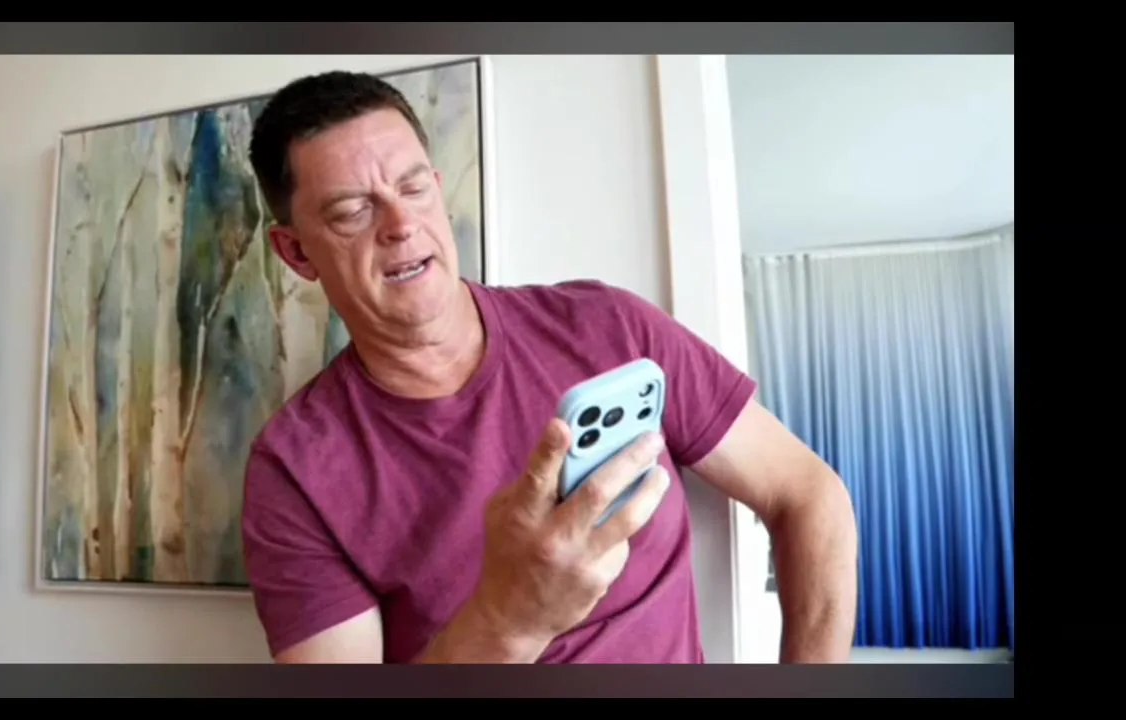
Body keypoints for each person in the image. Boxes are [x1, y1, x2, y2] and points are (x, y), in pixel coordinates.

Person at [241, 70, 858, 664]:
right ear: (296, 253)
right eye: (352, 210)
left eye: (414, 187)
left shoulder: (610, 326)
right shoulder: (292, 469)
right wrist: (510, 620)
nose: (401, 225)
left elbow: (808, 495)